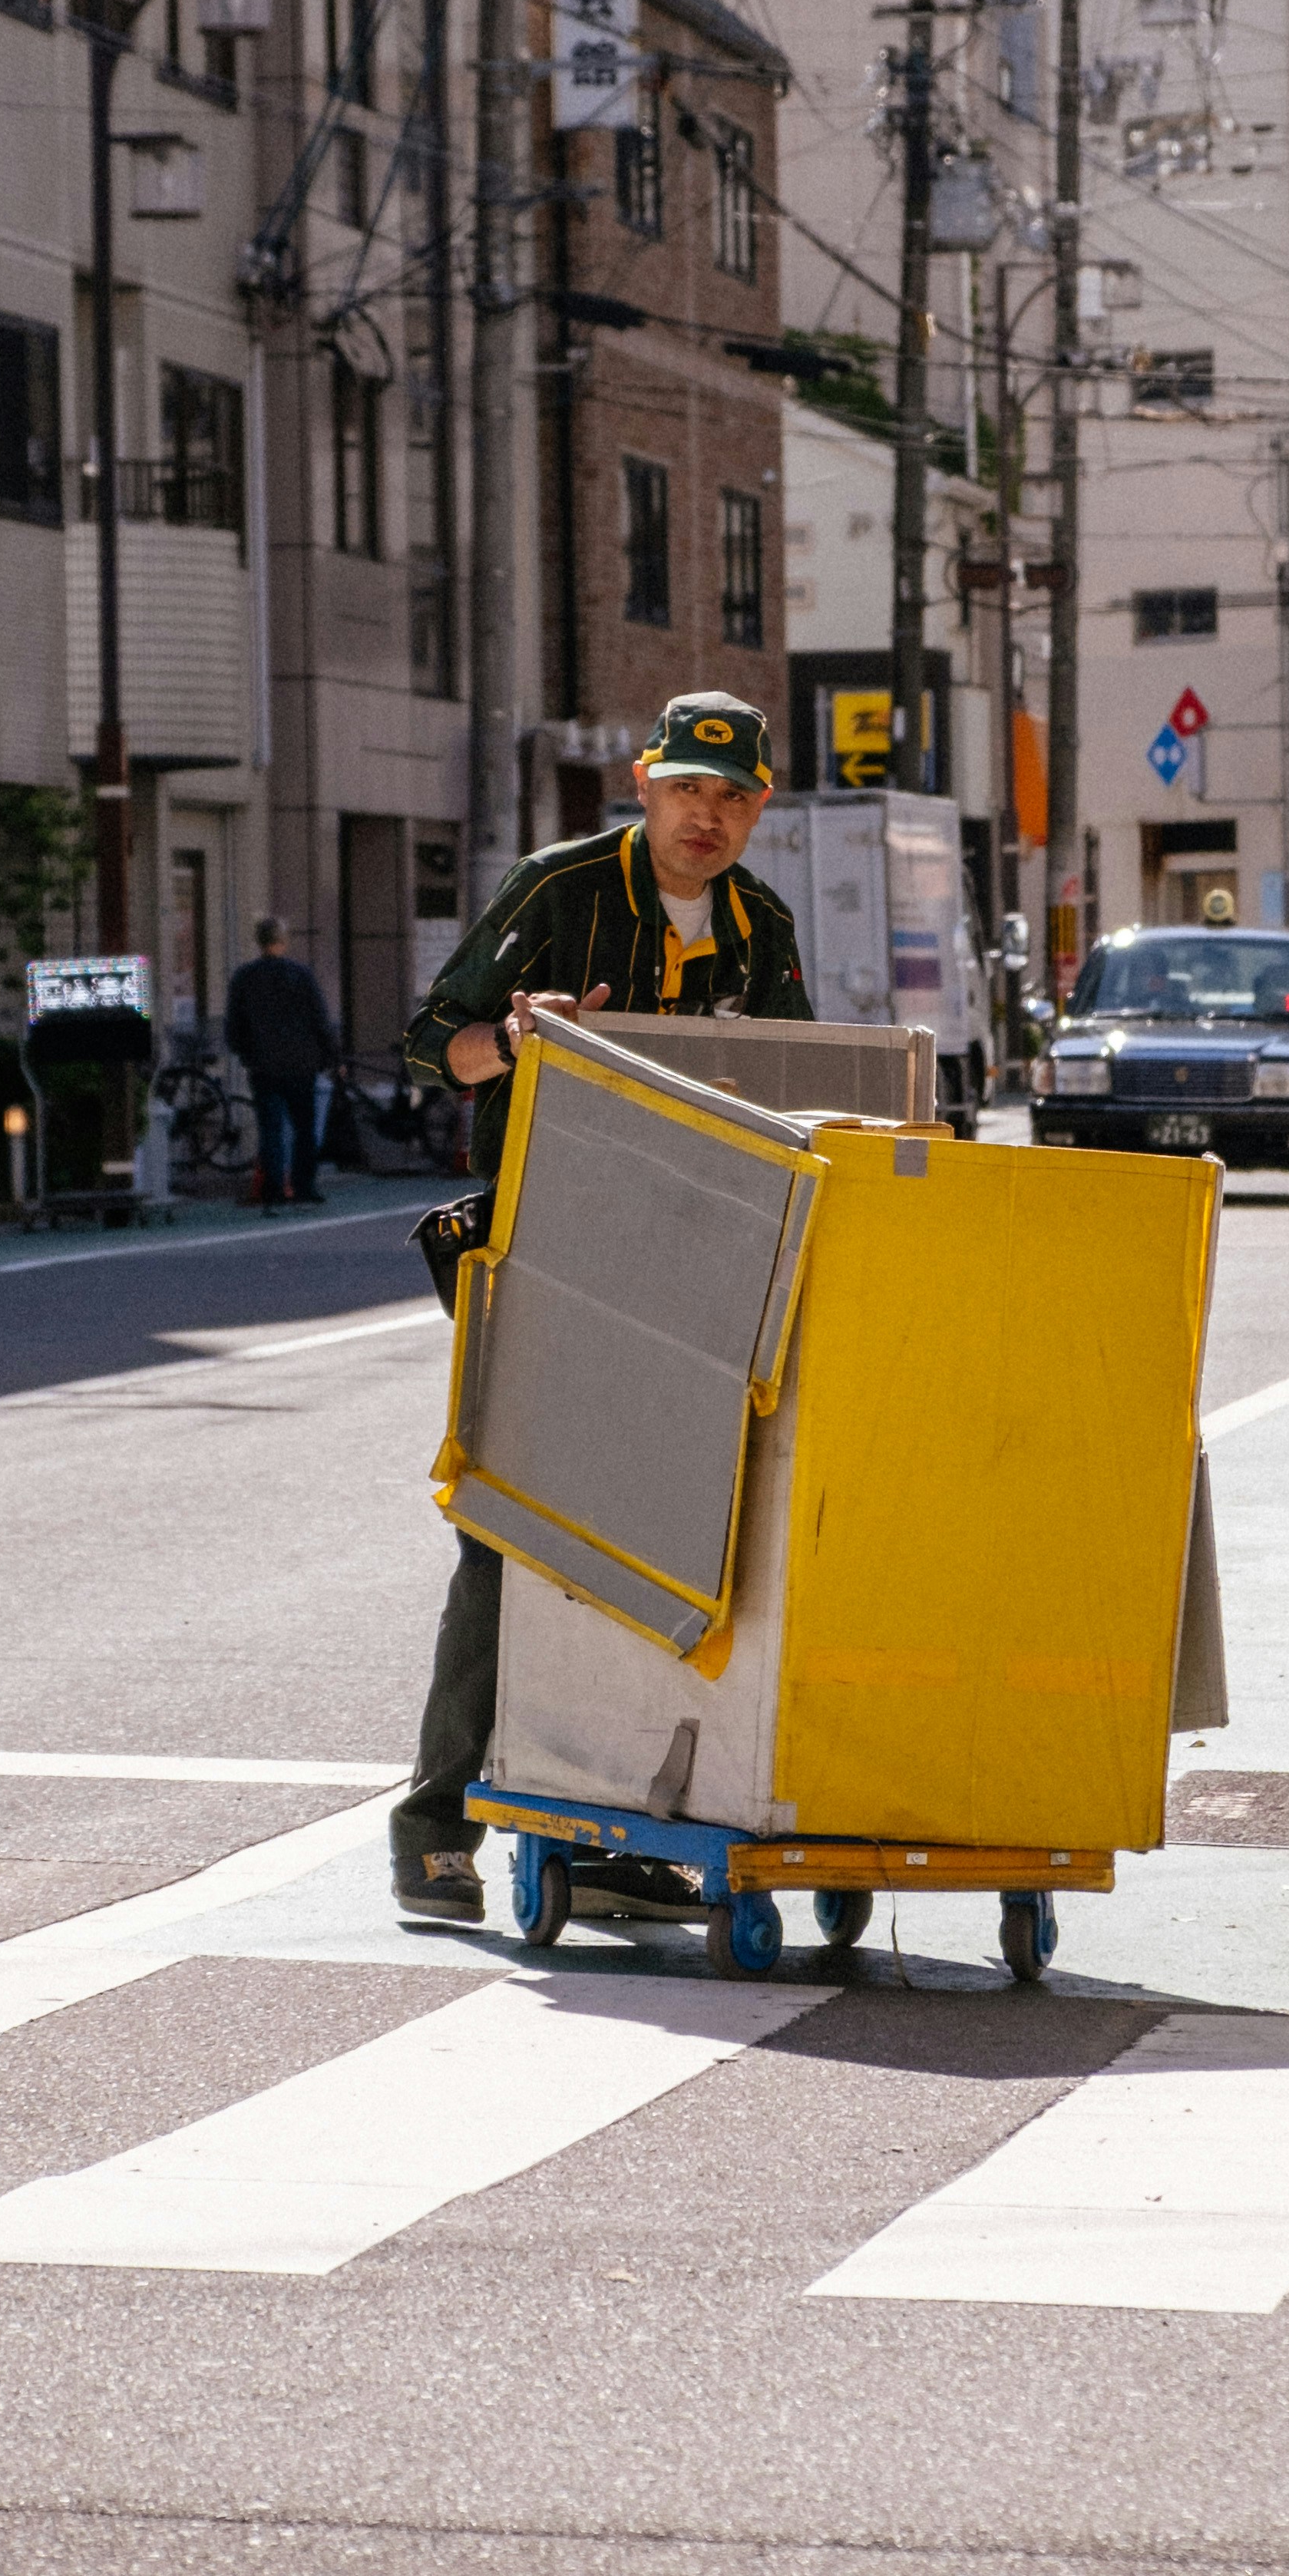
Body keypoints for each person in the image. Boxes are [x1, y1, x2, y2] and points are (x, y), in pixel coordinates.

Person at [386, 691, 814, 1924]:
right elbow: (425, 1038)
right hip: (540, 1252)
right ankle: (436, 1822)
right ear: (644, 784)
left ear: (759, 809)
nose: (708, 815)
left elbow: (799, 1089)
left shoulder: (760, 927)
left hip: (697, 1271)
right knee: (506, 1533)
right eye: (688, 788)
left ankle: (616, 1825)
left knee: (668, 1546)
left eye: (732, 796)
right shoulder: (558, 888)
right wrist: (509, 1039)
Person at [222, 914, 340, 1213]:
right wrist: (332, 1056)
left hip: (263, 1064)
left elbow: (234, 1026)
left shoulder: (245, 977)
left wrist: (246, 1055)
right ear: (283, 941)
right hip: (302, 1062)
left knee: (271, 1127)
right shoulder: (300, 975)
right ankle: (304, 1187)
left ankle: (274, 1187)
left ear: (258, 941)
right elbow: (319, 1018)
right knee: (304, 1126)